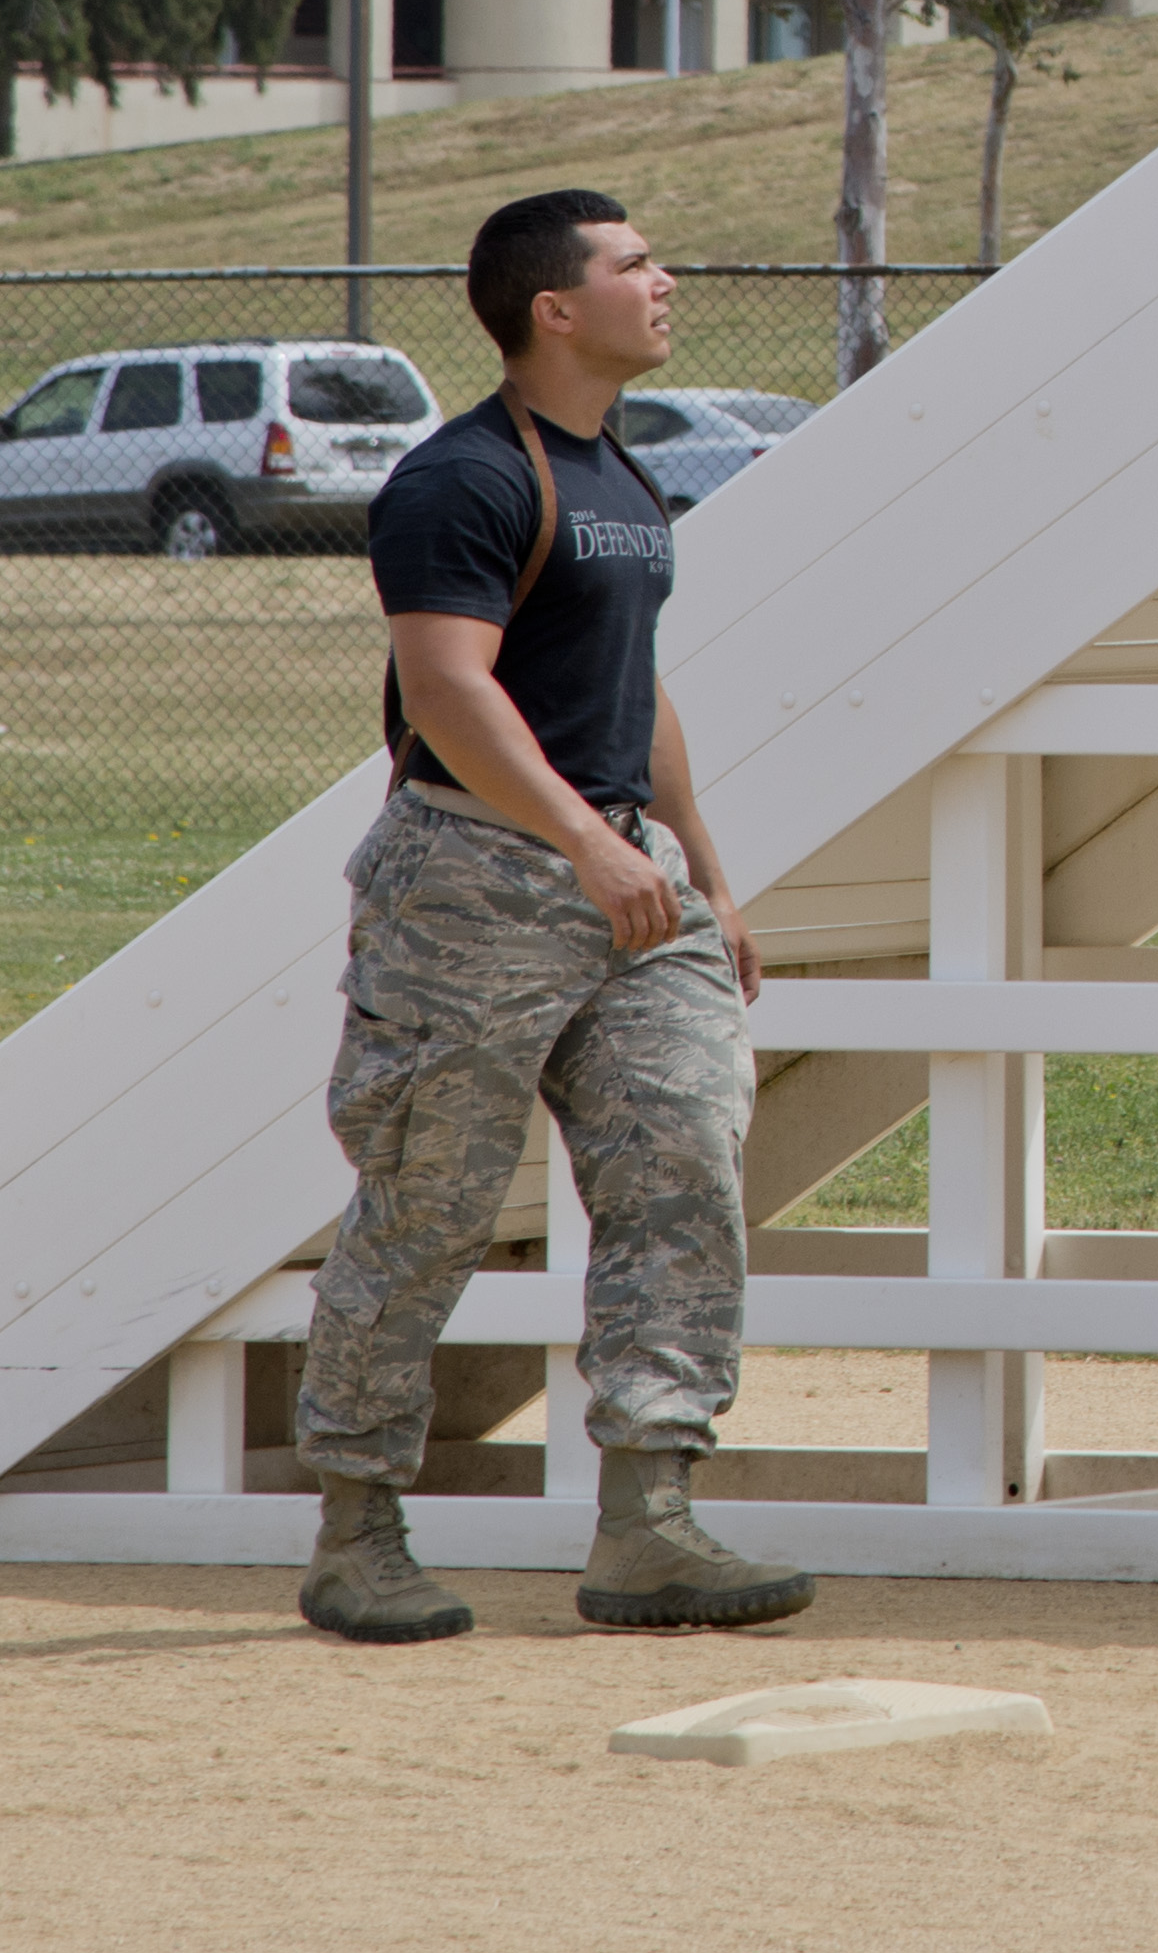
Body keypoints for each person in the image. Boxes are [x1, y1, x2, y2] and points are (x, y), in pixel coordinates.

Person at [293, 188, 812, 1643]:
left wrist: (700, 867)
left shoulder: (620, 476)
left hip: (629, 880)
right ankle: (357, 1529)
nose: (666, 278)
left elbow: (630, 687)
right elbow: (451, 690)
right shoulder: (459, 480)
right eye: (634, 263)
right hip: (475, 880)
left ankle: (648, 1524)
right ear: (553, 310)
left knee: (681, 1167)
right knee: (428, 1202)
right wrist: (588, 845)